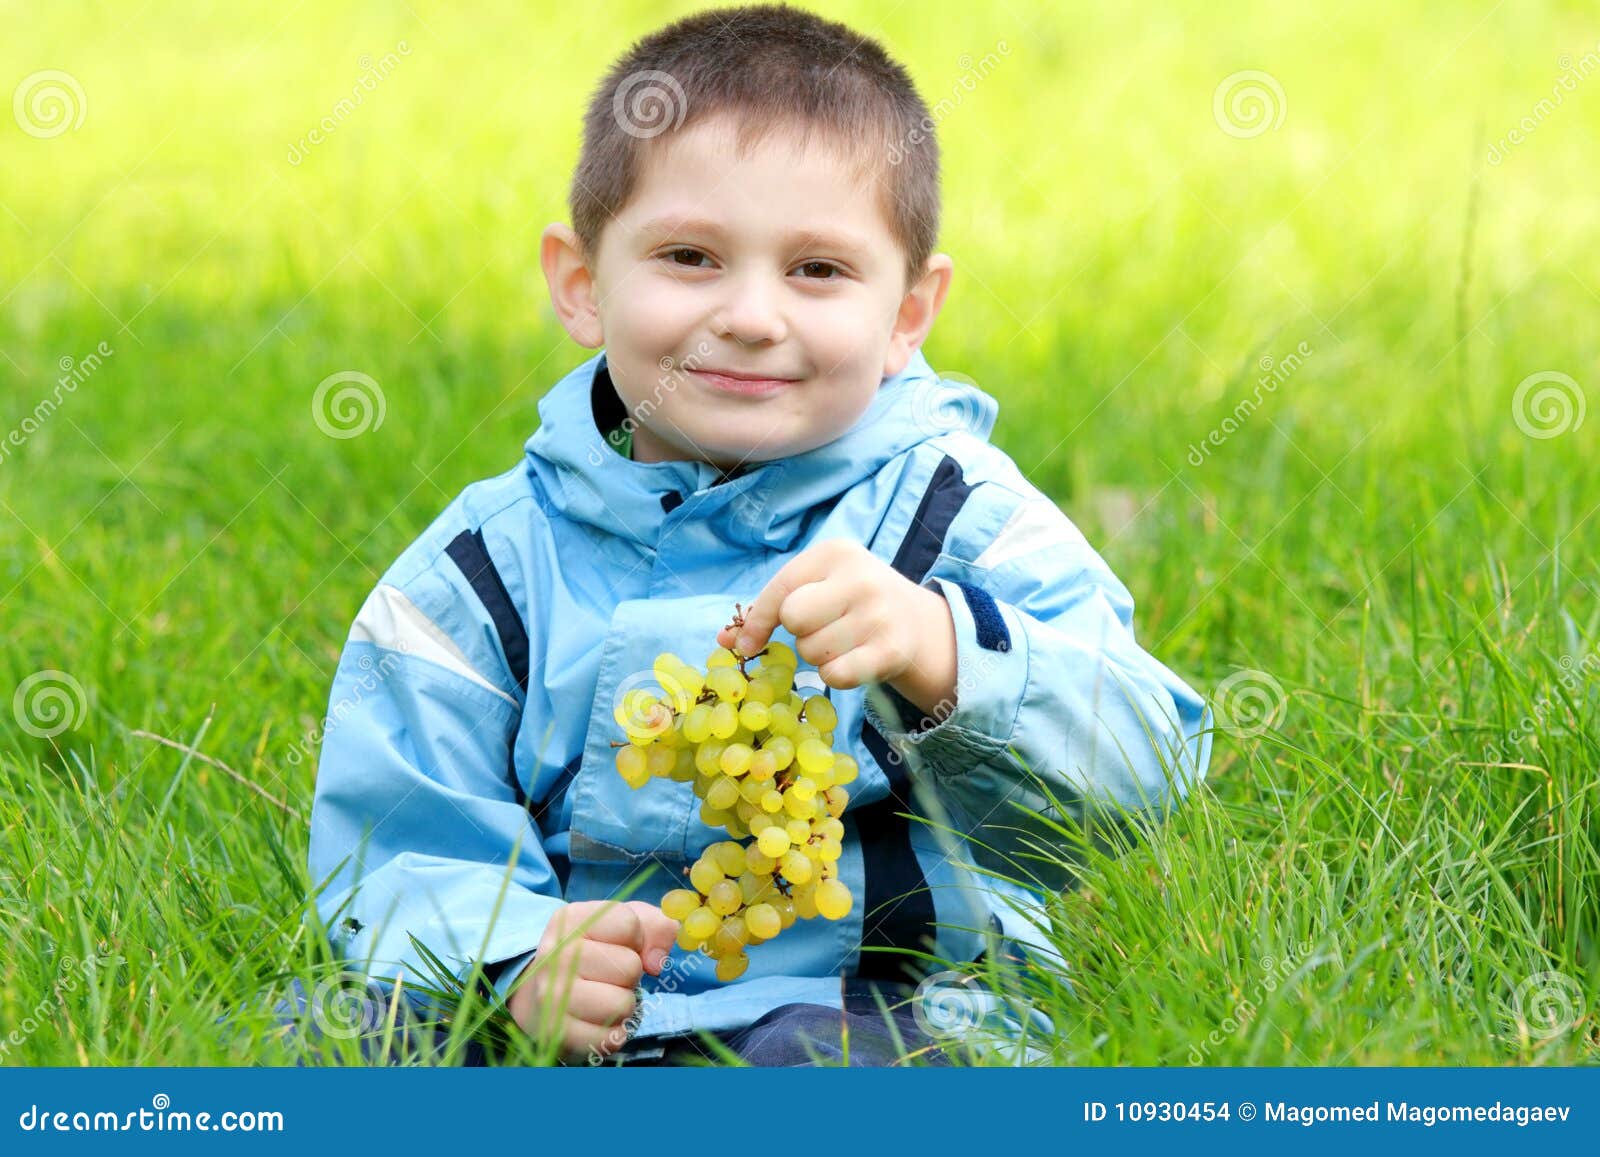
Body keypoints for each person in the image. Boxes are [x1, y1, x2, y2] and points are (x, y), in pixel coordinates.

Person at [296, 1, 1212, 1067]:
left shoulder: (959, 520)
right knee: (320, 1035)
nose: (750, 316)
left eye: (817, 270)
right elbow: (398, 823)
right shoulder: (491, 564)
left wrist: (944, 649)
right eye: (690, 256)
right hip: (565, 1020)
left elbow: (1150, 766)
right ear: (582, 286)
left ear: (908, 314)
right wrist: (508, 953)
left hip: (877, 1001)